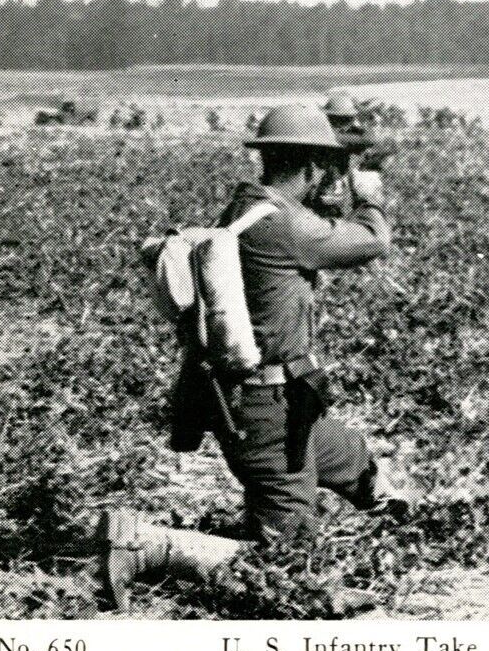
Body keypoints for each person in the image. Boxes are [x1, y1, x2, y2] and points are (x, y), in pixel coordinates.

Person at [100, 105, 411, 612]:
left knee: (348, 457)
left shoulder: (252, 208)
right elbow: (372, 241)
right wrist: (369, 198)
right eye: (324, 169)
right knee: (288, 564)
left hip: (285, 398)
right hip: (264, 408)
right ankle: (145, 545)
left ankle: (405, 528)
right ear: (312, 168)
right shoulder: (284, 226)